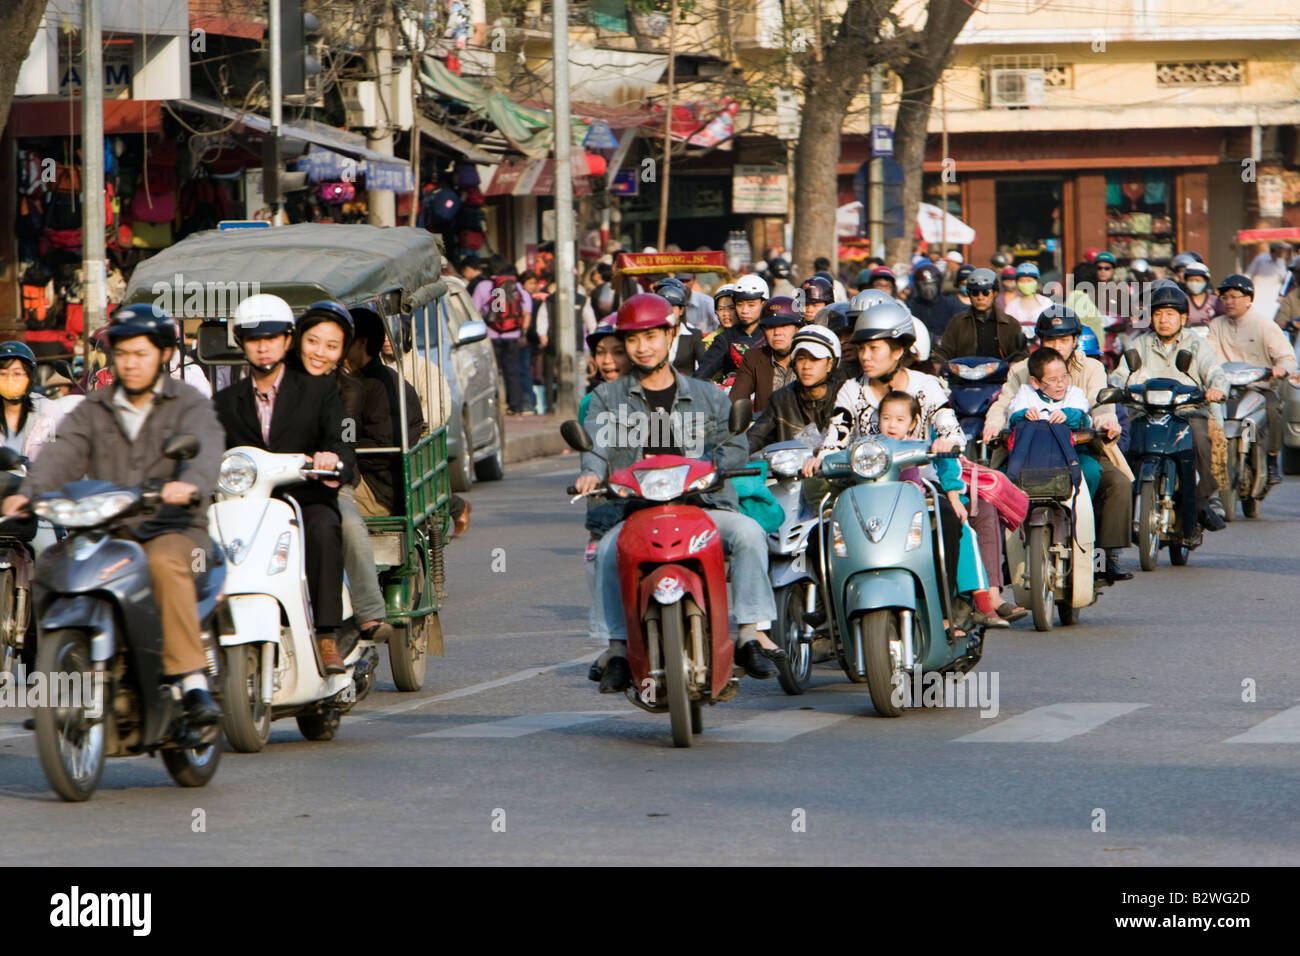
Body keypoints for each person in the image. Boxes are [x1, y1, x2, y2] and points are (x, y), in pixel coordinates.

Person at [3, 304, 225, 723]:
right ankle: (61, 685)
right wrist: (28, 492)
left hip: (172, 527)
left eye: (140, 353)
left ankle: (192, 682)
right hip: (109, 524)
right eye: (122, 352)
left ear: (163, 354)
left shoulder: (187, 402)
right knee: (54, 565)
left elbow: (206, 448)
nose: (130, 362)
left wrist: (189, 482)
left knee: (162, 563)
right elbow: (64, 452)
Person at [576, 294, 782, 692]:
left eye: (652, 336)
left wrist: (716, 465)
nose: (642, 347)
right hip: (634, 512)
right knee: (604, 552)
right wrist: (591, 473)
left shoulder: (707, 395)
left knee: (748, 533)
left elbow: (733, 443)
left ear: (670, 334)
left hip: (701, 507)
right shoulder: (607, 398)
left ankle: (749, 634)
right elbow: (596, 446)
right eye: (633, 339)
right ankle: (617, 649)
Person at [214, 293, 356, 674]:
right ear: (240, 342)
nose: (264, 346)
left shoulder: (320, 390)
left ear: (287, 340)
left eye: (273, 337)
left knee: (325, 528)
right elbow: (202, 447)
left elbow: (344, 435)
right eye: (253, 338)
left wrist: (333, 457)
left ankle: (327, 633)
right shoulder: (224, 402)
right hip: (244, 504)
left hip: (303, 497)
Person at [984, 305, 1135, 584]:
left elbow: (1101, 404)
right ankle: (1010, 556)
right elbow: (1003, 404)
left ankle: (1103, 557)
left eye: (1064, 340)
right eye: (1051, 340)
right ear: (1040, 341)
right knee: (994, 488)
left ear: (1076, 340)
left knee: (1118, 483)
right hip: (1029, 452)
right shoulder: (1021, 370)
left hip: (1077, 450)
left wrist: (1105, 424)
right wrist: (993, 425)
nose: (1058, 346)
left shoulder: (1091, 368)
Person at [291, 302, 396, 644]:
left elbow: (345, 442)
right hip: (273, 480)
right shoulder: (275, 378)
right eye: (313, 341)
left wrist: (331, 460)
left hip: (329, 481)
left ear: (343, 350)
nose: (320, 353)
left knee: (348, 523)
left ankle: (368, 613)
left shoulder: (350, 390)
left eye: (332, 345)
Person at [876, 390, 1018, 630]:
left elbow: (947, 461)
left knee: (962, 531)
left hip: (915, 507)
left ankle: (974, 603)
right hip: (880, 511)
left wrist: (952, 491)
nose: (892, 425)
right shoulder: (868, 448)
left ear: (913, 423)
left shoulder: (919, 445)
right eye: (886, 418)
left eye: (900, 420)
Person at [1110, 284, 1227, 535]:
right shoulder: (1139, 343)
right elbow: (1121, 374)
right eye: (1158, 314)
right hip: (1145, 411)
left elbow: (1214, 371)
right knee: (1122, 439)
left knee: (1201, 438)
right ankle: (1120, 502)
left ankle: (1203, 501)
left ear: (1183, 318)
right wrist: (1115, 386)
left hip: (1187, 411)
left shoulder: (1197, 344)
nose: (1164, 320)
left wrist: (1215, 388)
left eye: (1170, 314)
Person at [805, 298, 964, 474]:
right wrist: (820, 460)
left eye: (873, 348)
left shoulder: (926, 386)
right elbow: (834, 442)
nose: (865, 356)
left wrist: (947, 442)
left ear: (898, 351)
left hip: (922, 488)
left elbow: (953, 432)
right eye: (861, 349)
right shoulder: (851, 390)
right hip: (865, 485)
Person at [1206, 274, 1297, 484]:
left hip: (1258, 388)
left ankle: (1272, 460)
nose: (1228, 302)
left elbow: (1287, 358)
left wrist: (1281, 369)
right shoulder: (1216, 325)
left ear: (1248, 299)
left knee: (1273, 409)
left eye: (1234, 297)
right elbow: (1207, 355)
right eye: (1225, 297)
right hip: (1225, 390)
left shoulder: (1264, 325)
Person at [1009, 349, 1098, 493]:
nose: (1061, 384)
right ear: (1035, 382)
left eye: (1064, 377)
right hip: (1031, 456)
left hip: (1069, 455)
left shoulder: (1074, 393)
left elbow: (1084, 418)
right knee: (1003, 475)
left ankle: (1083, 512)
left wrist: (1068, 416)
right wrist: (1024, 415)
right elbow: (1013, 418)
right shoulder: (1026, 393)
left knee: (1091, 471)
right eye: (1052, 380)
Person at [747, 325, 845, 451]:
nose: (806, 366)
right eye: (801, 358)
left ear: (830, 364)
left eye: (815, 359)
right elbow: (755, 438)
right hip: (791, 468)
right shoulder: (781, 399)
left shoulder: (846, 395)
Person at [933, 267, 1028, 363]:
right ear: (969, 294)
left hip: (1001, 376)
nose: (980, 297)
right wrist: (937, 363)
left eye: (985, 293)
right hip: (963, 375)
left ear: (995, 293)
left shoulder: (1010, 324)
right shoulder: (957, 322)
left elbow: (1020, 353)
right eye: (975, 293)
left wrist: (1014, 364)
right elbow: (945, 351)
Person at [474, 264, 533, 415]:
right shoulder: (518, 287)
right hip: (513, 335)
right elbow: (527, 312)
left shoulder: (484, 286)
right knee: (512, 372)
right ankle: (516, 407)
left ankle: (493, 407)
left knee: (492, 372)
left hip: (491, 335)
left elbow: (475, 310)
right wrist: (523, 333)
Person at [730, 296, 804, 414]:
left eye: (784, 326)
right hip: (765, 430)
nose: (777, 333)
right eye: (770, 327)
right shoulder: (753, 358)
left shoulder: (812, 358)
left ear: (797, 328)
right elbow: (736, 399)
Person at [693, 273, 769, 382]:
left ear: (764, 303)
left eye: (751, 305)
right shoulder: (725, 338)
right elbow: (703, 372)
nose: (744, 310)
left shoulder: (771, 333)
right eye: (739, 304)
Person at [651, 277, 707, 376]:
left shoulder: (694, 335)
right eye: (664, 307)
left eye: (672, 307)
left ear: (681, 310)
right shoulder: (651, 335)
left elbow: (705, 366)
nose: (668, 312)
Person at [907, 262, 965, 341]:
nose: (928, 290)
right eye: (924, 285)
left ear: (938, 284)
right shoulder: (911, 305)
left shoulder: (951, 305)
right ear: (918, 286)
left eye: (931, 285)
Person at [1002, 262, 1054, 332]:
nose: (1025, 284)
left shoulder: (1046, 303)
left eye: (1029, 280)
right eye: (1022, 281)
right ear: (1017, 283)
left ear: (1037, 282)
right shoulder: (1012, 305)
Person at [1181, 262, 1223, 328]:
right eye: (1191, 280)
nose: (1194, 283)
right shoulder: (1183, 300)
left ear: (1206, 281)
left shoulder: (1216, 301)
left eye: (1197, 280)